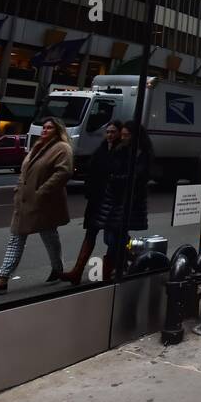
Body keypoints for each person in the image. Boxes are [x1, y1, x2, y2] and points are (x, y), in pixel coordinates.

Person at [0, 117, 72, 295]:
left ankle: (5, 279)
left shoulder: (62, 148)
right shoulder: (38, 147)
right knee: (32, 236)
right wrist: (18, 188)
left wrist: (43, 191)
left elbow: (64, 172)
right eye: (44, 127)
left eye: (50, 128)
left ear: (58, 130)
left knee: (38, 235)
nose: (45, 130)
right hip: (25, 201)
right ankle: (6, 279)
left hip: (44, 202)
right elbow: (25, 170)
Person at [59, 119, 122, 284]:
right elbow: (93, 172)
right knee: (91, 234)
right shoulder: (101, 150)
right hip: (97, 199)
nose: (109, 135)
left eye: (113, 132)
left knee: (112, 237)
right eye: (108, 132)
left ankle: (108, 272)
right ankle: (77, 271)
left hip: (111, 201)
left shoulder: (121, 152)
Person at [100, 120, 153, 280]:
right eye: (122, 135)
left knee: (116, 234)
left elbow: (138, 176)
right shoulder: (120, 150)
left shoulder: (142, 153)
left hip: (129, 199)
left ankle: (114, 268)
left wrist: (116, 178)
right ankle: (126, 260)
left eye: (126, 135)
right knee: (112, 235)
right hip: (116, 198)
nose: (123, 138)